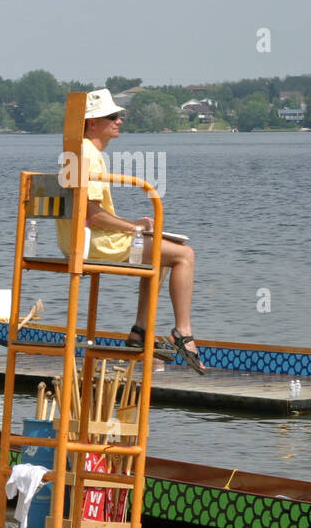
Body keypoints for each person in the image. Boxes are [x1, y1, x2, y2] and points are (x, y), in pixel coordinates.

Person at [56, 88, 203, 372]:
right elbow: (92, 214)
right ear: (91, 123)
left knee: (158, 250)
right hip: (92, 243)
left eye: (119, 115)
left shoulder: (76, 150)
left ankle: (140, 332)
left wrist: (133, 227)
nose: (119, 121)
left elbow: (91, 211)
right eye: (112, 116)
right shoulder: (88, 153)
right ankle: (183, 333)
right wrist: (133, 228)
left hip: (76, 240)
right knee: (184, 255)